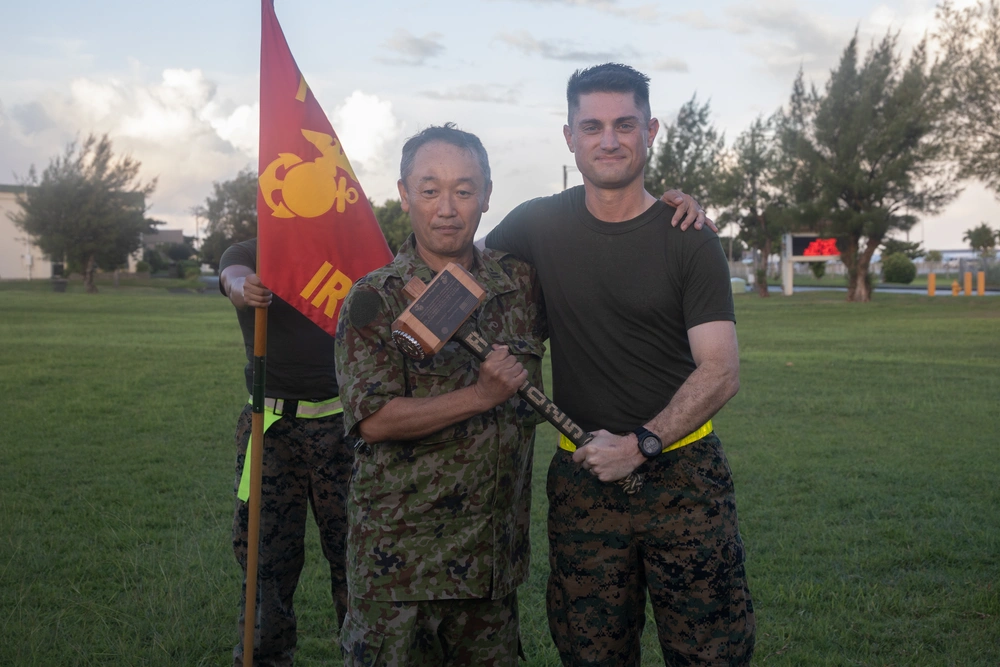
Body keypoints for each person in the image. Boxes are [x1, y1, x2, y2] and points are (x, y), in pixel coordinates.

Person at [485, 63, 755, 666]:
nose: (609, 139)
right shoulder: (536, 223)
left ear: (651, 129)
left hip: (684, 478)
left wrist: (641, 444)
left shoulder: (689, 236)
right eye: (593, 126)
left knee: (711, 652)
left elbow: (720, 370)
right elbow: (459, 265)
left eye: (625, 124)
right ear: (569, 137)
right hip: (582, 479)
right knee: (591, 653)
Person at [334, 124, 547, 666]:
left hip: (492, 566)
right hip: (403, 568)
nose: (447, 208)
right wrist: (481, 395)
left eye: (464, 189)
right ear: (404, 195)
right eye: (430, 191)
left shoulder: (518, 283)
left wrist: (666, 213)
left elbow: (598, 244)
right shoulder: (374, 299)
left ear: (488, 194)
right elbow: (374, 420)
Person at [220, 241, 353, 667]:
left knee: (358, 560)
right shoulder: (249, 251)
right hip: (271, 430)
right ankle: (264, 658)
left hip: (347, 432)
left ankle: (366, 655)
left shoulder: (346, 251)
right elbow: (232, 279)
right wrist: (246, 287)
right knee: (265, 562)